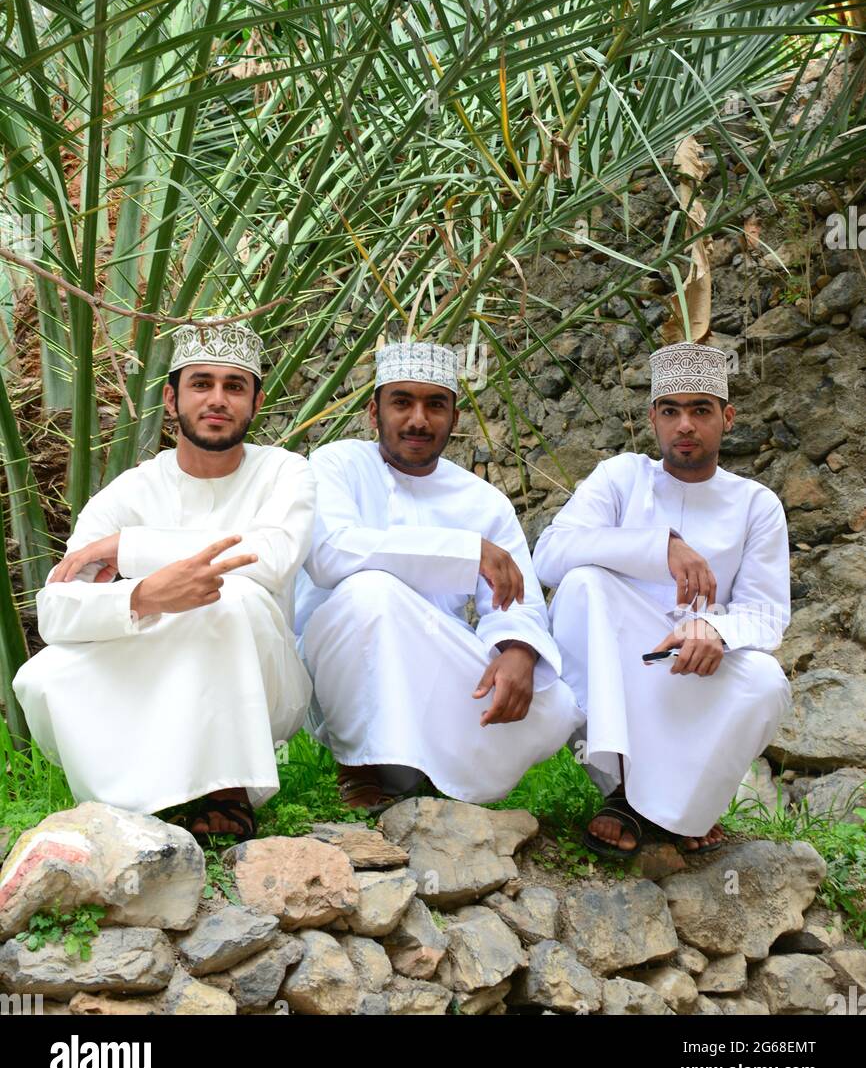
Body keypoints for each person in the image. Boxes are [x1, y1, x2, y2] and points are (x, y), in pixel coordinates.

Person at [13, 321, 316, 840]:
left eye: (234, 386)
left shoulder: (285, 473)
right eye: (201, 384)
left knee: (229, 595)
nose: (217, 399)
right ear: (172, 399)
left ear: (257, 402)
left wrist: (127, 549)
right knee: (44, 675)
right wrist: (142, 595)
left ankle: (227, 787)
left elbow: (271, 558)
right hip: (153, 672)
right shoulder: (129, 492)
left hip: (262, 680)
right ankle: (133, 795)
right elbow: (58, 612)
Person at [294, 339, 580, 811]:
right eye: (402, 402)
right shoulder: (337, 463)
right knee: (372, 591)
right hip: (337, 654)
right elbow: (329, 554)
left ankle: (423, 769)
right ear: (374, 412)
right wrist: (465, 554)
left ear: (455, 418)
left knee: (556, 708)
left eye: (435, 405)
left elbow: (519, 599)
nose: (418, 420)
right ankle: (364, 767)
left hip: (431, 655)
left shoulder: (483, 502)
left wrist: (519, 649)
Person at [532, 341, 792, 856]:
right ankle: (627, 792)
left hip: (696, 667)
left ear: (727, 417)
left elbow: (766, 612)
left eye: (700, 410)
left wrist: (717, 629)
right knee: (583, 583)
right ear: (653, 419)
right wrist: (660, 547)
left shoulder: (756, 505)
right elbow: (550, 554)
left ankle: (686, 806)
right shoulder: (621, 477)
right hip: (618, 662)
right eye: (671, 411)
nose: (685, 426)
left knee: (766, 680)